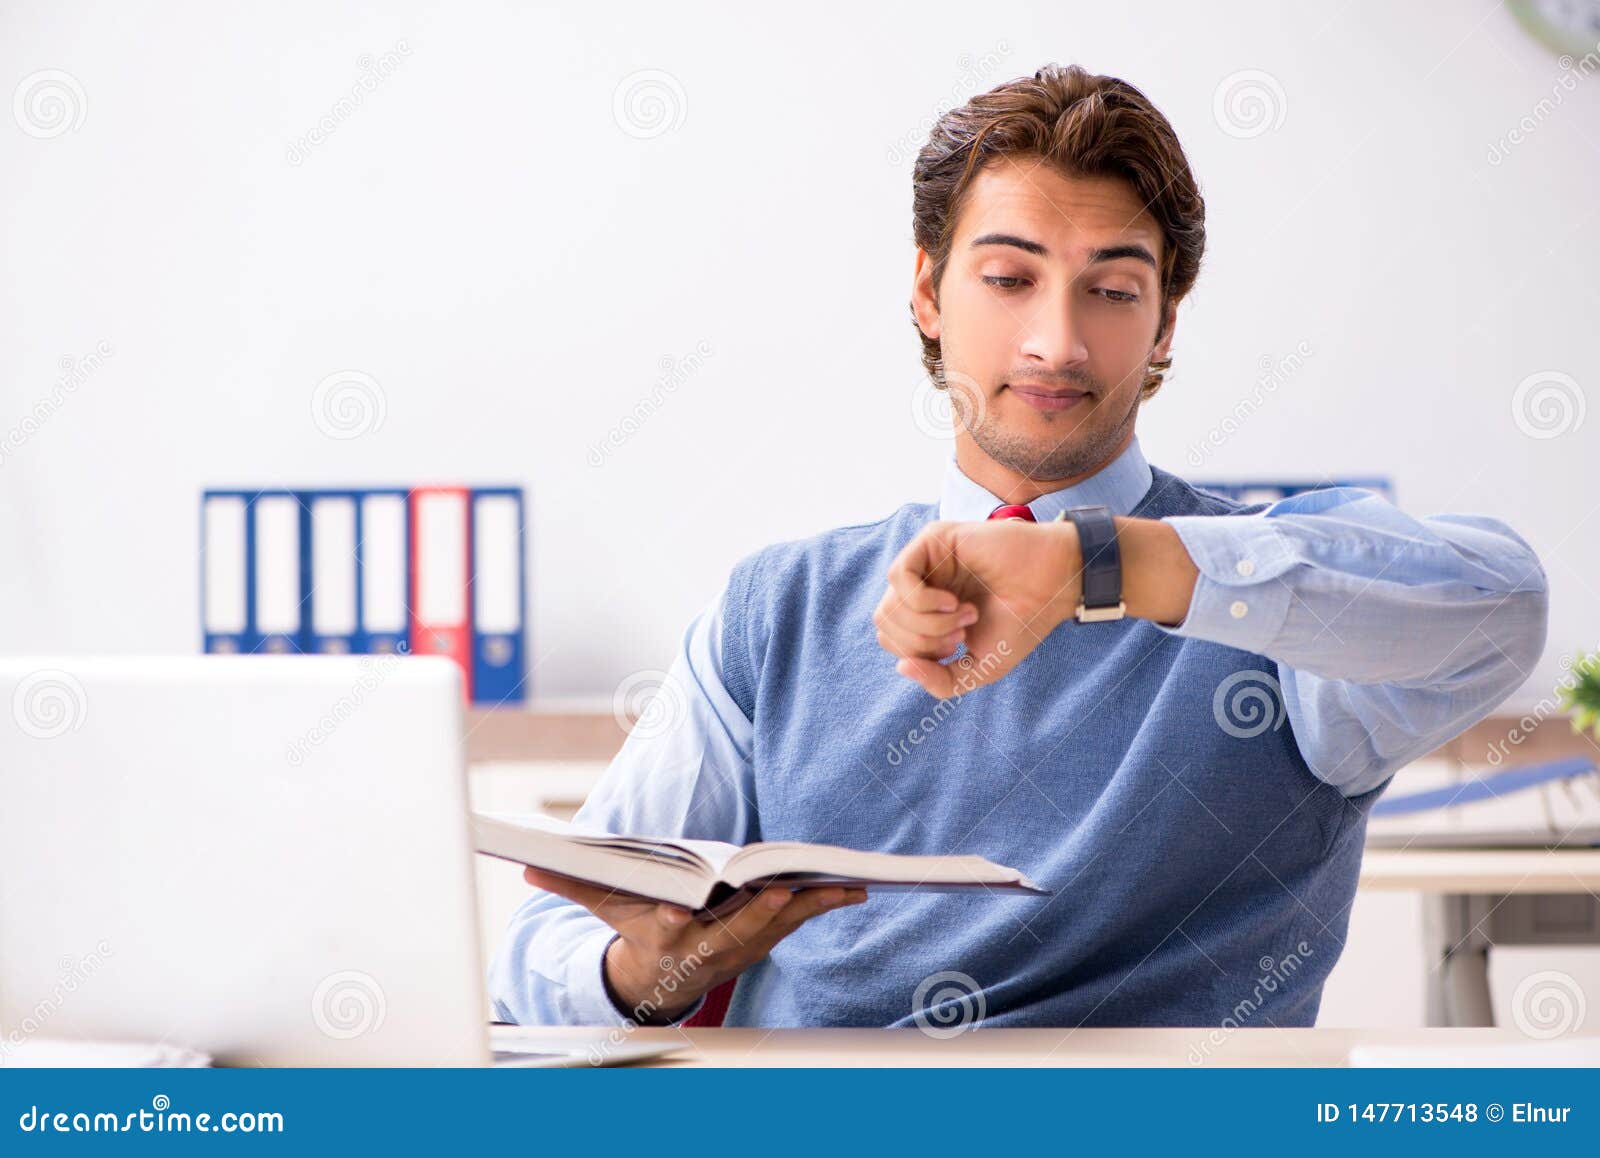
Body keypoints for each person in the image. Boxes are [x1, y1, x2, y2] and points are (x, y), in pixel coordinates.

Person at [489, 64, 1548, 1029]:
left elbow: (1501, 608)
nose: (1058, 342)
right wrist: (650, 973)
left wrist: (1103, 563)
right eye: (1008, 279)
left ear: (1165, 324)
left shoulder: (1258, 588)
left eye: (1114, 289)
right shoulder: (779, 607)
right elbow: (544, 959)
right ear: (926, 293)